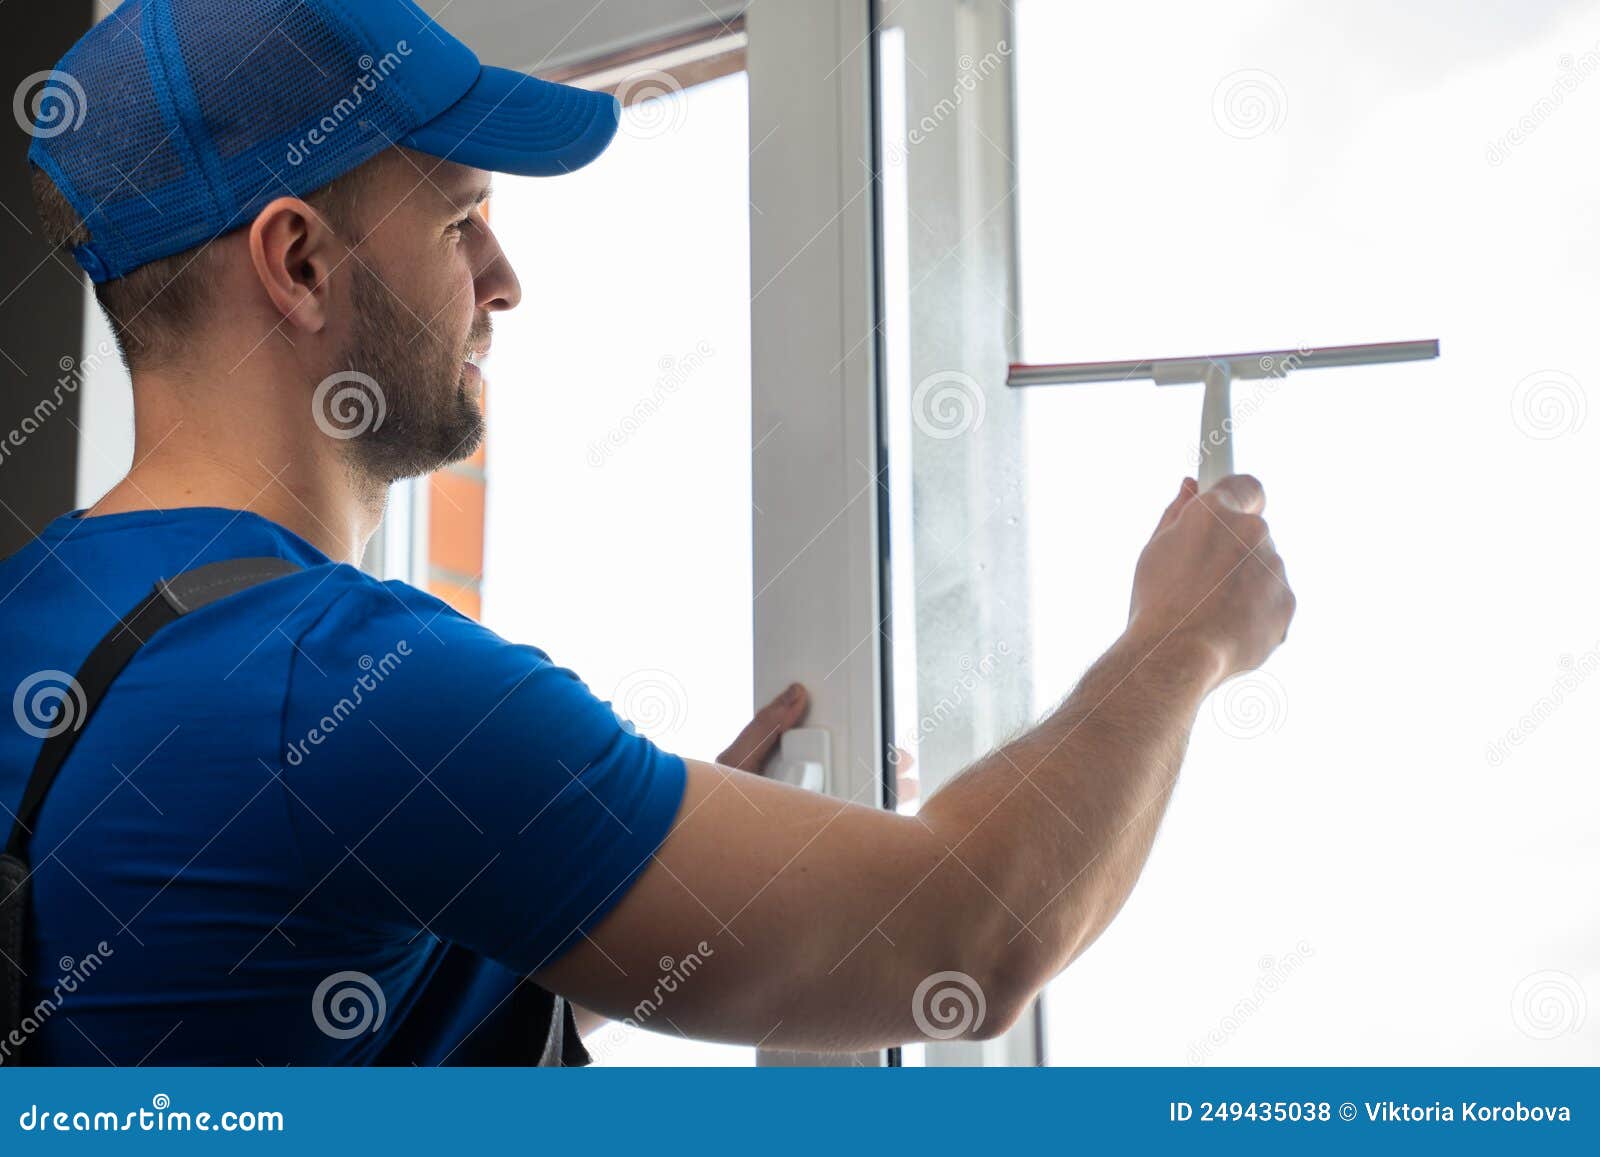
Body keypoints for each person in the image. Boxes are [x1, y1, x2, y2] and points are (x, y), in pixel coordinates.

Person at [1, 0, 1294, 1064]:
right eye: (460, 220)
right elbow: (965, 939)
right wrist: (1181, 639)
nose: (504, 280)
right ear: (298, 264)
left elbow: (257, 966)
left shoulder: (40, 612)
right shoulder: (353, 688)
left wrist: (605, 852)